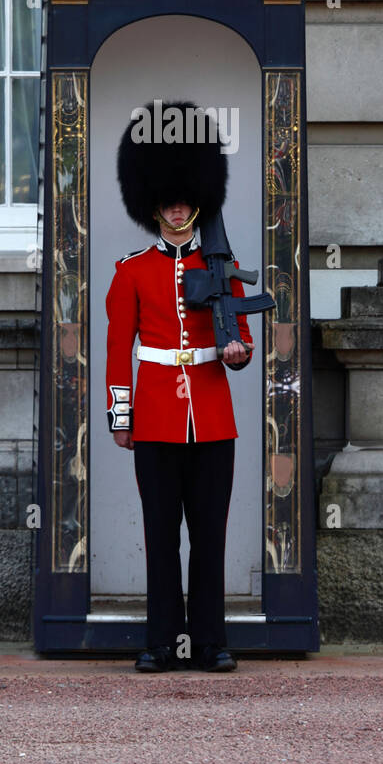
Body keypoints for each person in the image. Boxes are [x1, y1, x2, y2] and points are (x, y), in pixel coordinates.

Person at [106, 104, 254, 673]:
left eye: (184, 197)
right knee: (162, 537)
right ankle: (164, 641)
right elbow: (121, 352)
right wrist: (123, 419)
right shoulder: (131, 271)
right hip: (157, 421)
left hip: (213, 419)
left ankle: (212, 641)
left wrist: (236, 352)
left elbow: (238, 334)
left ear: (197, 201)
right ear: (155, 204)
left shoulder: (223, 262)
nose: (176, 205)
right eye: (168, 198)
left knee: (209, 539)